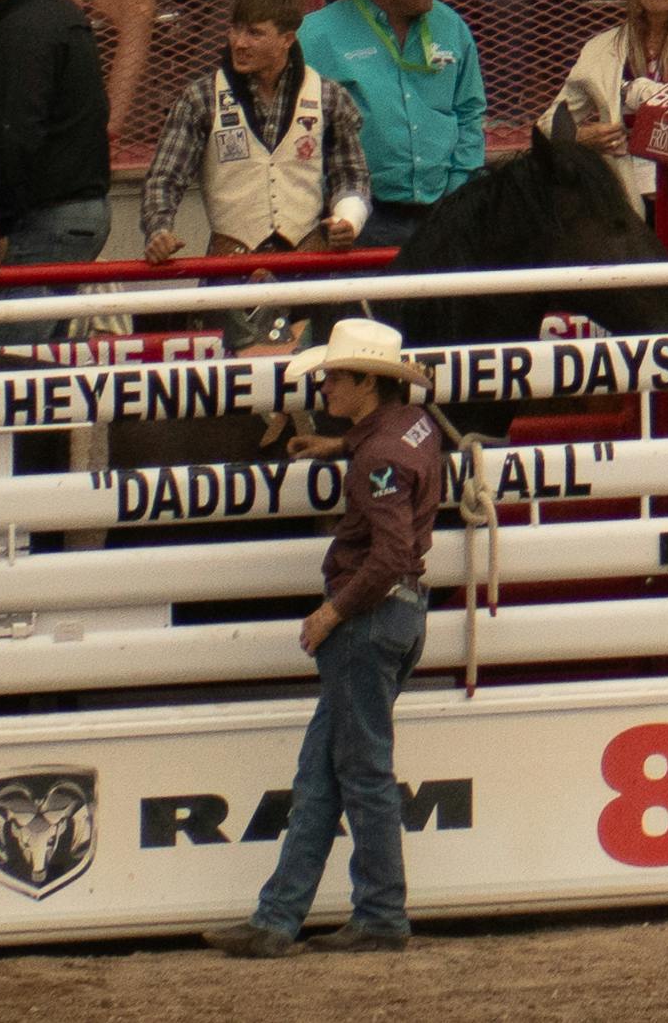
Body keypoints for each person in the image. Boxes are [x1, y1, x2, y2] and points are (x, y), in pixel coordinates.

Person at [235, 317, 451, 956]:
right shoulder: (416, 427)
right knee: (328, 774)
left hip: (367, 623)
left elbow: (387, 556)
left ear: (367, 381)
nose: (324, 385)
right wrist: (338, 446)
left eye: (334, 376)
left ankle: (380, 914)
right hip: (402, 619)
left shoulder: (380, 456)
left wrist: (331, 614)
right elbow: (395, 465)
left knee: (358, 777)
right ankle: (276, 921)